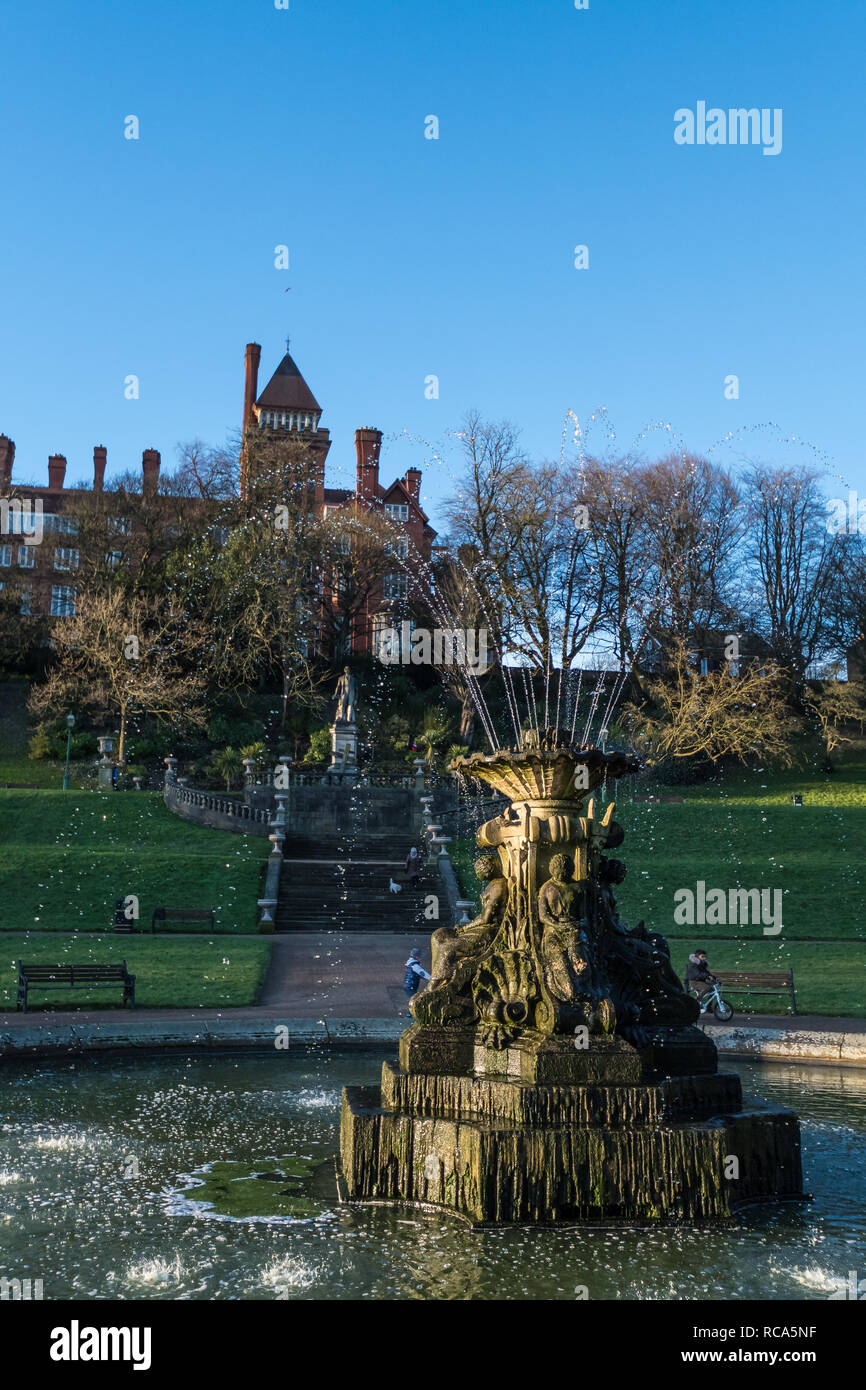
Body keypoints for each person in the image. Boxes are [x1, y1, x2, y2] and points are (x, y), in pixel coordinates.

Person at [402, 949, 430, 1014]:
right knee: (414, 1000)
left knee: (413, 999)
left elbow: (416, 974)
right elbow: (422, 973)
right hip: (410, 986)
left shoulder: (411, 963)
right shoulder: (415, 966)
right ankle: (410, 1014)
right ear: (416, 957)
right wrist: (431, 978)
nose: (421, 958)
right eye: (420, 957)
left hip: (409, 985)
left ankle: (410, 1013)